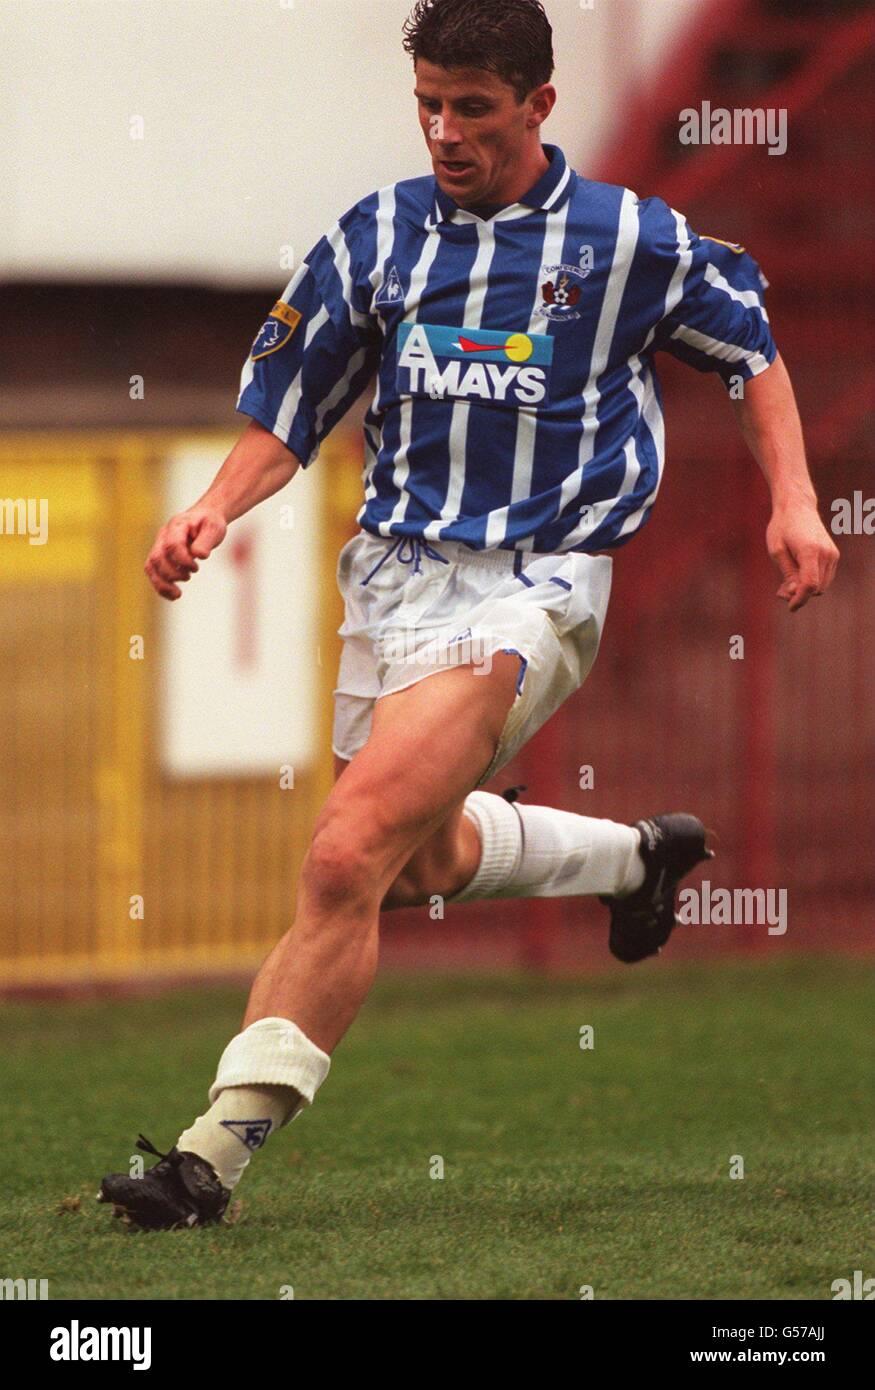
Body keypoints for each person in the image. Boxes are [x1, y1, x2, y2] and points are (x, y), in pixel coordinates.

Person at [98, 0, 839, 1230]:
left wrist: (796, 501)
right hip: (393, 577)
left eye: (472, 108)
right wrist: (213, 512)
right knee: (413, 862)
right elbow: (291, 408)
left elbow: (747, 345)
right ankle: (635, 859)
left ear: (539, 105)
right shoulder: (377, 234)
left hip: (535, 585)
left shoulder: (624, 240)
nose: (444, 131)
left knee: (343, 850)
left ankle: (204, 1161)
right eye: (428, 104)